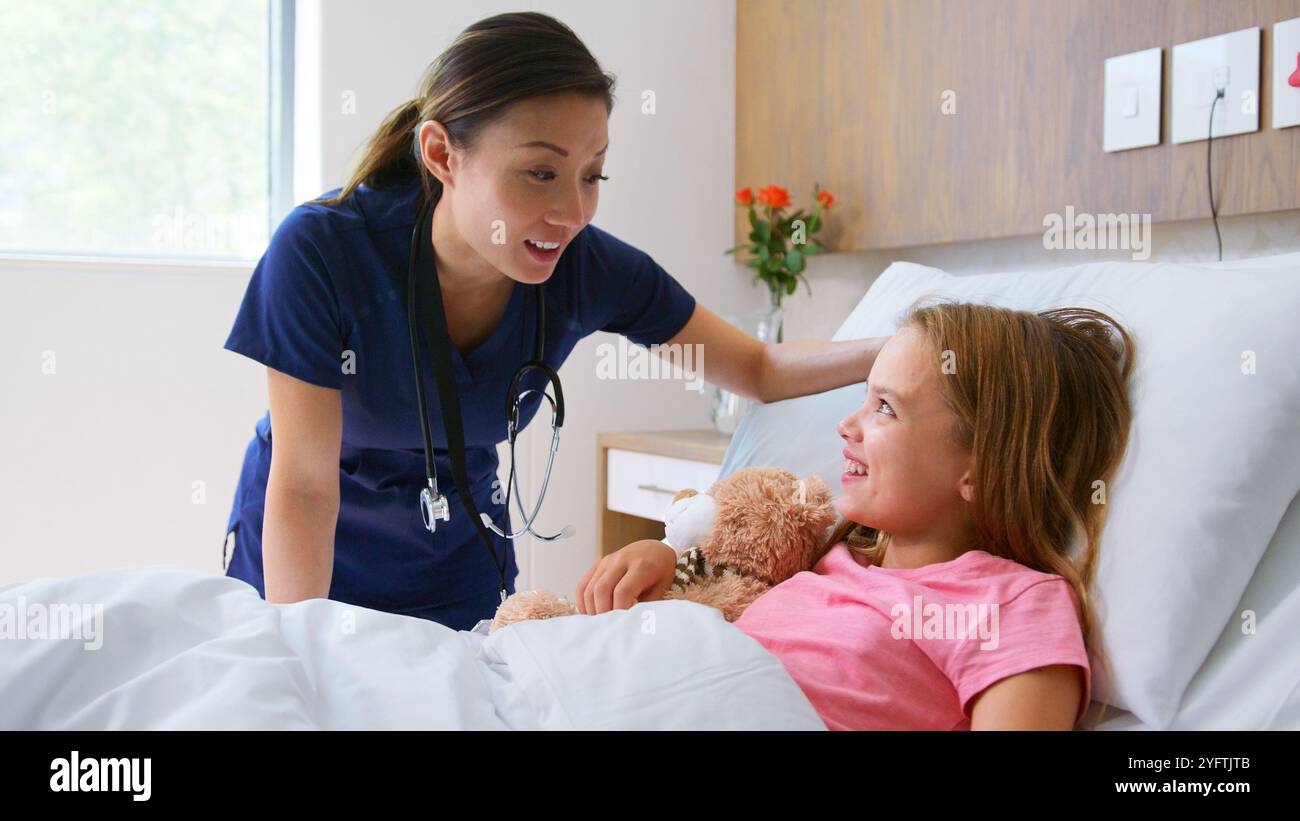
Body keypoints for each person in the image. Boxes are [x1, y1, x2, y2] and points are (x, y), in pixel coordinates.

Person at [221, 11, 884, 631]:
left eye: (592, 175)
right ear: (442, 154)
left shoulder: (585, 268)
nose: (571, 211)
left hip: (455, 571)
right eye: (540, 172)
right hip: (305, 568)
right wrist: (297, 653)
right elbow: (306, 488)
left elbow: (757, 369)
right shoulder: (323, 252)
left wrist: (899, 348)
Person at [578, 300, 1135, 730]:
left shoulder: (1012, 604)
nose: (847, 425)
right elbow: (724, 594)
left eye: (885, 408)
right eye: (865, 399)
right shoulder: (825, 557)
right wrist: (671, 562)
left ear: (979, 469)